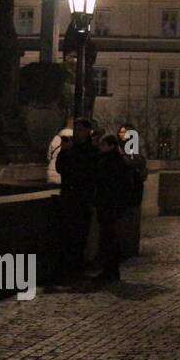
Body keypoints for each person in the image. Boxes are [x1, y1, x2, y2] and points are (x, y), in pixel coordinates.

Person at [55, 117, 99, 276]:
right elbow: (60, 168)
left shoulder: (92, 150)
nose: (77, 133)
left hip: (82, 197)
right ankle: (67, 266)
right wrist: (64, 151)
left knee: (79, 234)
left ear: (88, 131)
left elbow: (86, 172)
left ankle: (76, 265)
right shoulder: (71, 148)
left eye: (80, 129)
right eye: (76, 129)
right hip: (68, 195)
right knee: (67, 233)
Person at [93, 134, 133, 281]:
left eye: (103, 145)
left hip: (108, 205)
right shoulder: (119, 161)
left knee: (108, 238)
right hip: (115, 205)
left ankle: (108, 271)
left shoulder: (107, 162)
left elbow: (103, 182)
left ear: (110, 146)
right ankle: (112, 270)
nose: (100, 147)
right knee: (112, 238)